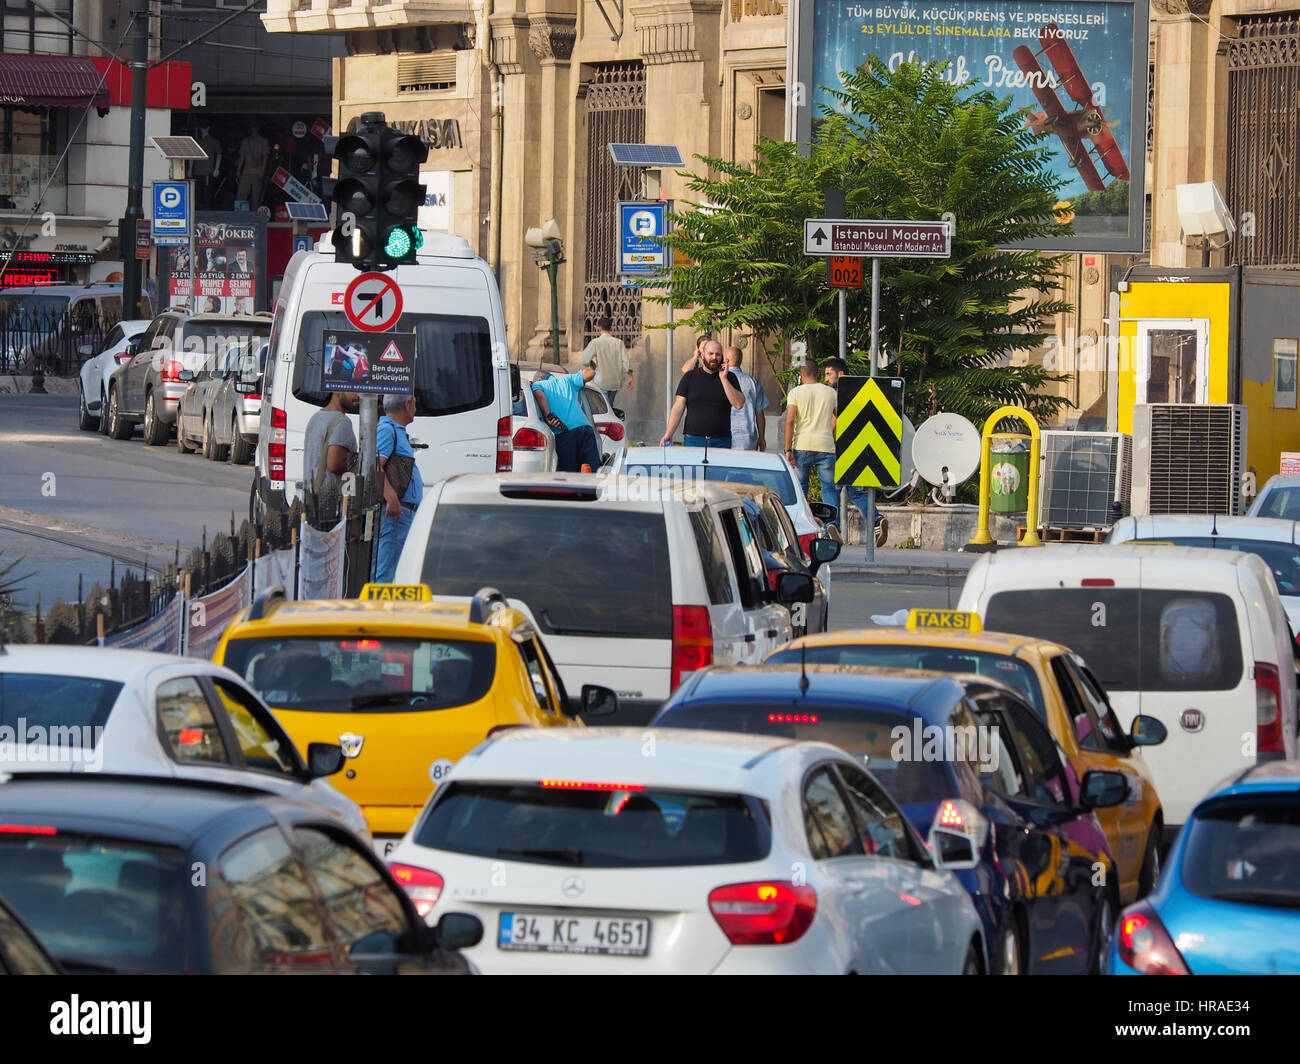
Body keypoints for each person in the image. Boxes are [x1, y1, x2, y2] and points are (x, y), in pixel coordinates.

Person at [661, 339, 745, 449]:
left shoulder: (730, 377)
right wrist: (668, 434)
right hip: (693, 439)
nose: (714, 358)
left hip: (721, 440)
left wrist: (724, 379)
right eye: (711, 354)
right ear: (702, 355)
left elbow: (739, 404)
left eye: (718, 354)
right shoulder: (689, 377)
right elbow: (678, 407)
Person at [375, 393, 422, 582]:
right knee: (386, 572)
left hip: (401, 511)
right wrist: (391, 498)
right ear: (407, 404)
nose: (416, 409)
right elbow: (376, 465)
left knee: (392, 569)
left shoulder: (396, 430)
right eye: (415, 404)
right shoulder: (387, 429)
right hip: (395, 512)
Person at [823, 356, 873, 530]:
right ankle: (876, 519)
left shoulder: (836, 396)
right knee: (856, 493)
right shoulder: (860, 394)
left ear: (841, 374)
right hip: (858, 449)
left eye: (829, 374)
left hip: (839, 450)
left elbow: (834, 424)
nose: (826, 379)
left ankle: (832, 526)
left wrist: (827, 440)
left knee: (832, 490)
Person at [784, 358, 838, 508]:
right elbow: (838, 418)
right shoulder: (831, 393)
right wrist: (831, 435)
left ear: (801, 375)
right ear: (818, 374)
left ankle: (801, 525)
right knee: (829, 490)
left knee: (801, 490)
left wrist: (788, 449)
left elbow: (789, 421)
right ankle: (832, 524)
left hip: (802, 445)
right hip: (826, 446)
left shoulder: (795, 393)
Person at [303, 390, 360, 529]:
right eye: (353, 391)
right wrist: (359, 461)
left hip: (311, 498)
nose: (358, 395)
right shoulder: (342, 422)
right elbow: (334, 464)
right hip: (330, 505)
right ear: (336, 391)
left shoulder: (315, 417)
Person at [532, 367, 602, 472]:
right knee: (591, 469)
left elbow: (540, 396)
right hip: (586, 428)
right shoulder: (567, 380)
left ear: (538, 379)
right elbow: (591, 373)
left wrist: (548, 415)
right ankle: (595, 488)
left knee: (569, 474)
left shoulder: (538, 385)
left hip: (566, 433)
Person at [724, 346, 769, 451]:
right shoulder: (753, 382)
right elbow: (759, 413)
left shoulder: (720, 380)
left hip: (724, 434)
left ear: (726, 360)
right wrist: (761, 437)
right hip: (747, 436)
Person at [583, 316, 632, 409]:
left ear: (599, 328)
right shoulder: (619, 343)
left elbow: (584, 360)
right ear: (611, 328)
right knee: (609, 406)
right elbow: (626, 363)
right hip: (615, 382)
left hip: (601, 381)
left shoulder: (595, 343)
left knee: (604, 408)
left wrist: (593, 365)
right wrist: (631, 377)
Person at [236, 124, 269, 209]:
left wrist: (263, 170)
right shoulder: (245, 141)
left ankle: (254, 217)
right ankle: (240, 215)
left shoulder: (263, 141)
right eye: (251, 129)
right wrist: (239, 170)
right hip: (246, 171)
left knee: (256, 197)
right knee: (241, 195)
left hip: (257, 171)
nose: (253, 130)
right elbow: (242, 156)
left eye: (255, 129)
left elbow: (265, 157)